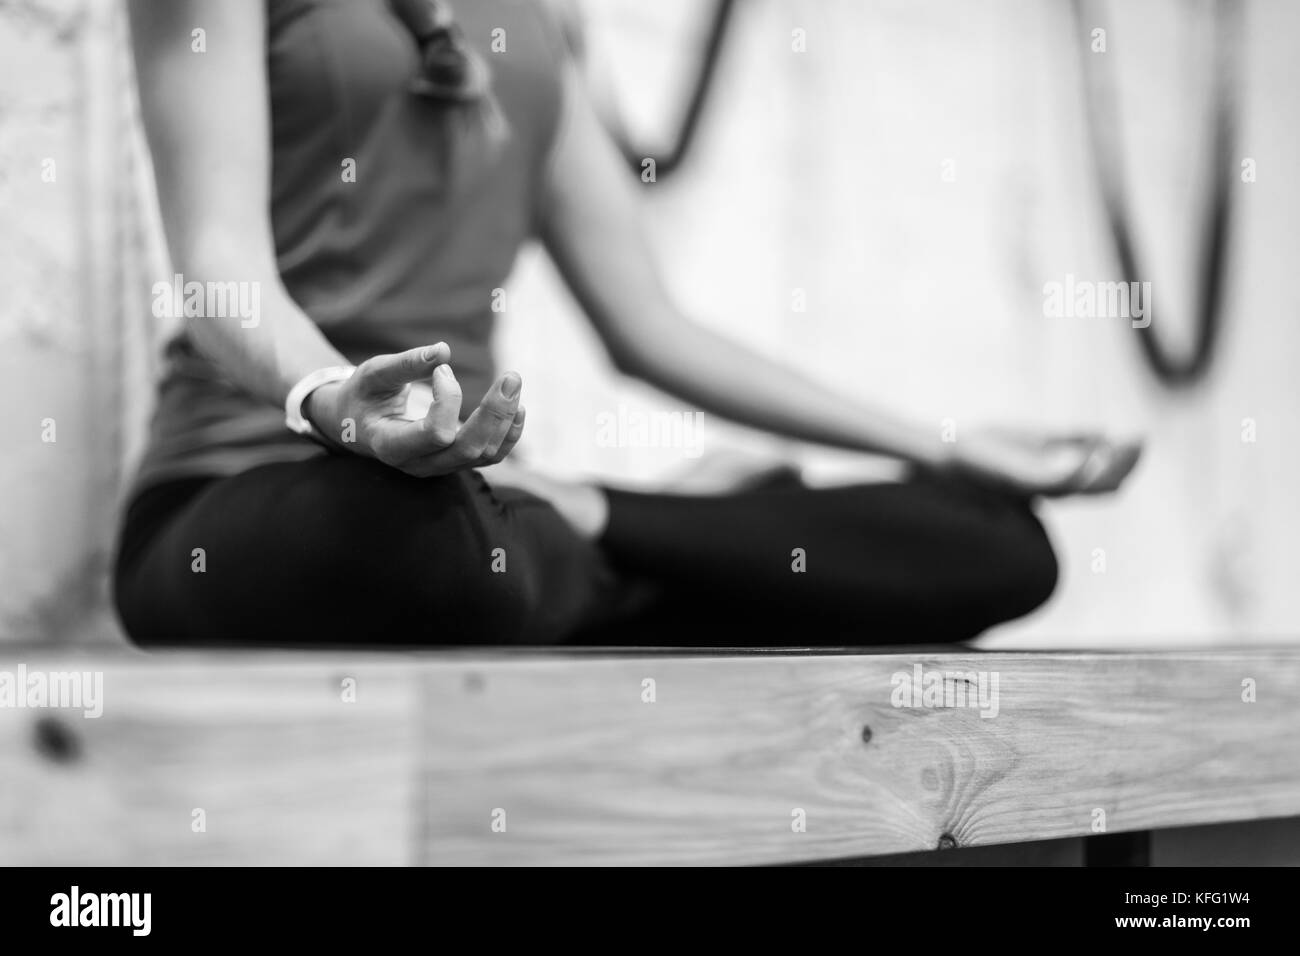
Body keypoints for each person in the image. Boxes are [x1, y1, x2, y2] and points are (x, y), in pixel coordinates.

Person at [113, 0, 1140, 648]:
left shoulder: (533, 26)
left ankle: (590, 529)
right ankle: (642, 561)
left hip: (485, 510)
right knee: (411, 540)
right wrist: (334, 401)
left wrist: (945, 445)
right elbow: (221, 271)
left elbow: (647, 324)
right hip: (262, 493)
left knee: (995, 542)